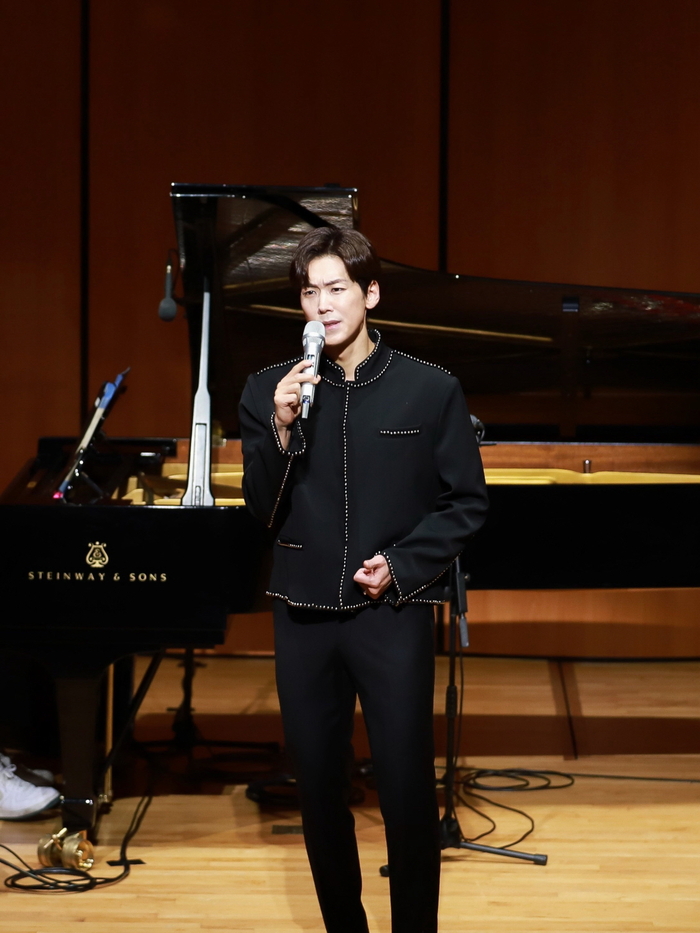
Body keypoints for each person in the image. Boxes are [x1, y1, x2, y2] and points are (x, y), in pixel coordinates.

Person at [239, 226, 488, 933]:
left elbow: (466, 502)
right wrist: (282, 426)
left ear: (370, 293)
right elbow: (259, 508)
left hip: (391, 616)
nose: (323, 305)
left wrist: (403, 565)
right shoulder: (266, 391)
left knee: (406, 792)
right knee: (319, 792)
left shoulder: (429, 388)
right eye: (309, 292)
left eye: (337, 288)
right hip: (303, 617)